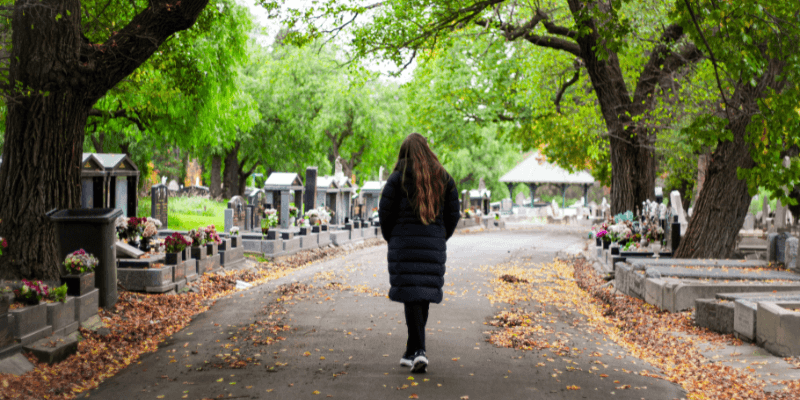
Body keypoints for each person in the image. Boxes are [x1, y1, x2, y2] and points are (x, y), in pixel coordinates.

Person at [378, 133, 460, 373]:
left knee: (413, 295)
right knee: (420, 295)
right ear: (426, 150)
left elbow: (385, 214)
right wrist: (439, 236)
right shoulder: (443, 178)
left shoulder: (397, 178)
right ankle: (410, 351)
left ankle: (420, 351)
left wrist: (392, 237)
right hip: (433, 244)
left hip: (404, 245)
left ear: (404, 152)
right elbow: (453, 214)